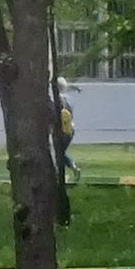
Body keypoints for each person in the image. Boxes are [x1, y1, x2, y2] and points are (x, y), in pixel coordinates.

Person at [53, 77, 77, 223]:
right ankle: (70, 168)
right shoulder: (69, 99)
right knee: (59, 153)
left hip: (62, 129)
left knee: (58, 153)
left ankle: (68, 170)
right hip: (70, 128)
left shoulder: (58, 99)